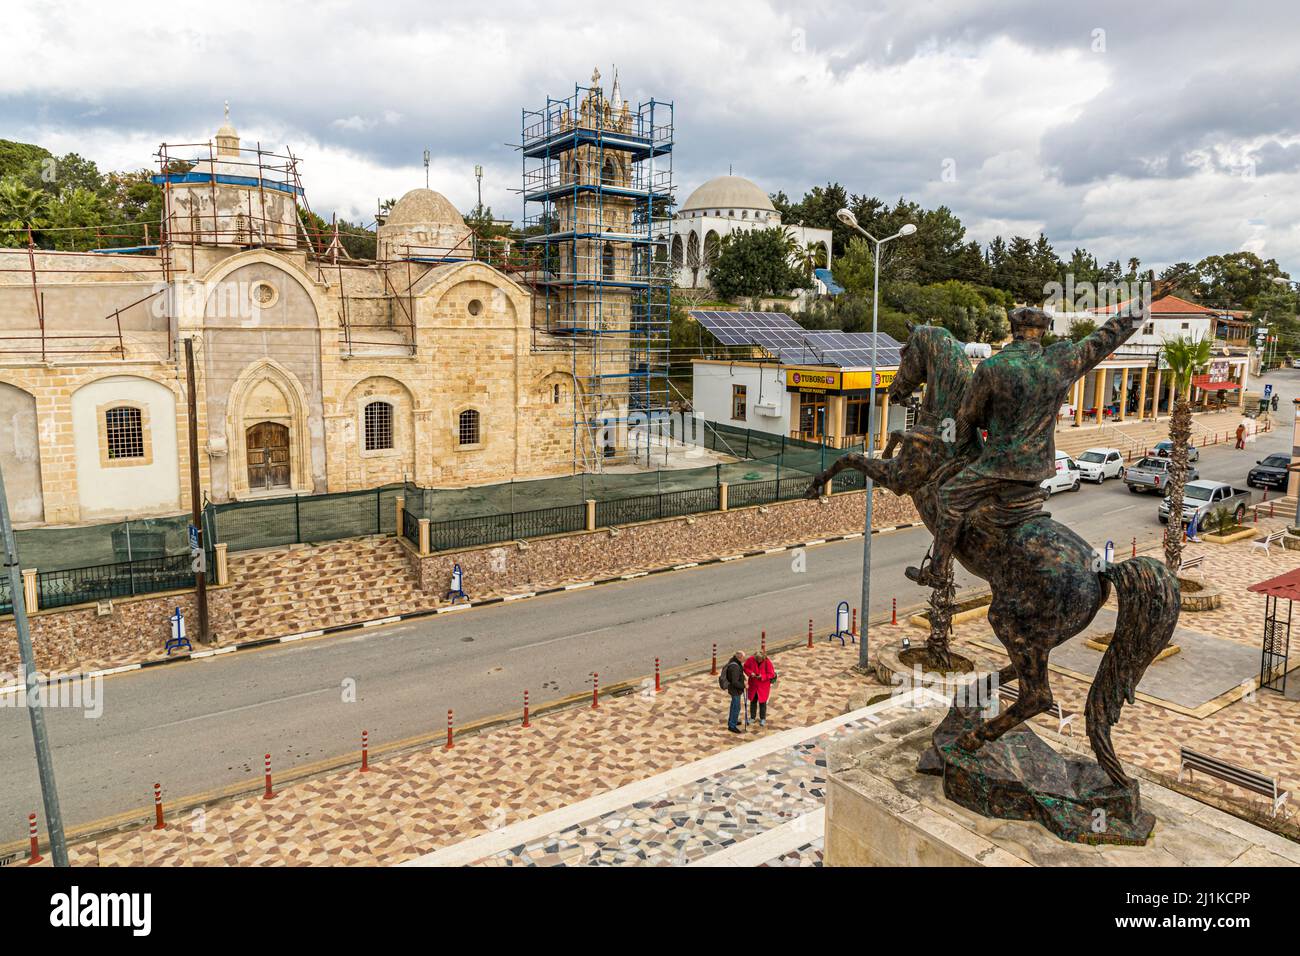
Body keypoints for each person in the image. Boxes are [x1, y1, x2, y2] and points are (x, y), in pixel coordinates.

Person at [906, 301, 1146, 588]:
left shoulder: (992, 367)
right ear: (1042, 333)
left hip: (998, 468)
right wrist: (1141, 307)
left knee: (948, 498)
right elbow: (1106, 337)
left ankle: (938, 570)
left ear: (1014, 330)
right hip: (1039, 471)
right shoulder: (1061, 362)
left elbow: (971, 416)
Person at [743, 651, 777, 728]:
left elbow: (771, 674)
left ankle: (762, 718)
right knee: (753, 702)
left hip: (763, 686)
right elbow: (745, 667)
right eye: (757, 659)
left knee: (762, 703)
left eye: (760, 659)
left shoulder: (767, 662)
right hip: (753, 685)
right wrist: (750, 673)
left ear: (763, 658)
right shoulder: (751, 659)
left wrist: (762, 676)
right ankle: (752, 717)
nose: (758, 660)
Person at [720, 651, 746, 733]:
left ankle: (732, 720)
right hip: (735, 690)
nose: (744, 659)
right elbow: (735, 682)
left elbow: (739, 674)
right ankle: (732, 725)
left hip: (734, 689)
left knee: (734, 706)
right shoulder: (735, 667)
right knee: (736, 707)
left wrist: (743, 678)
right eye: (743, 657)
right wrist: (744, 686)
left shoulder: (734, 661)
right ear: (740, 657)